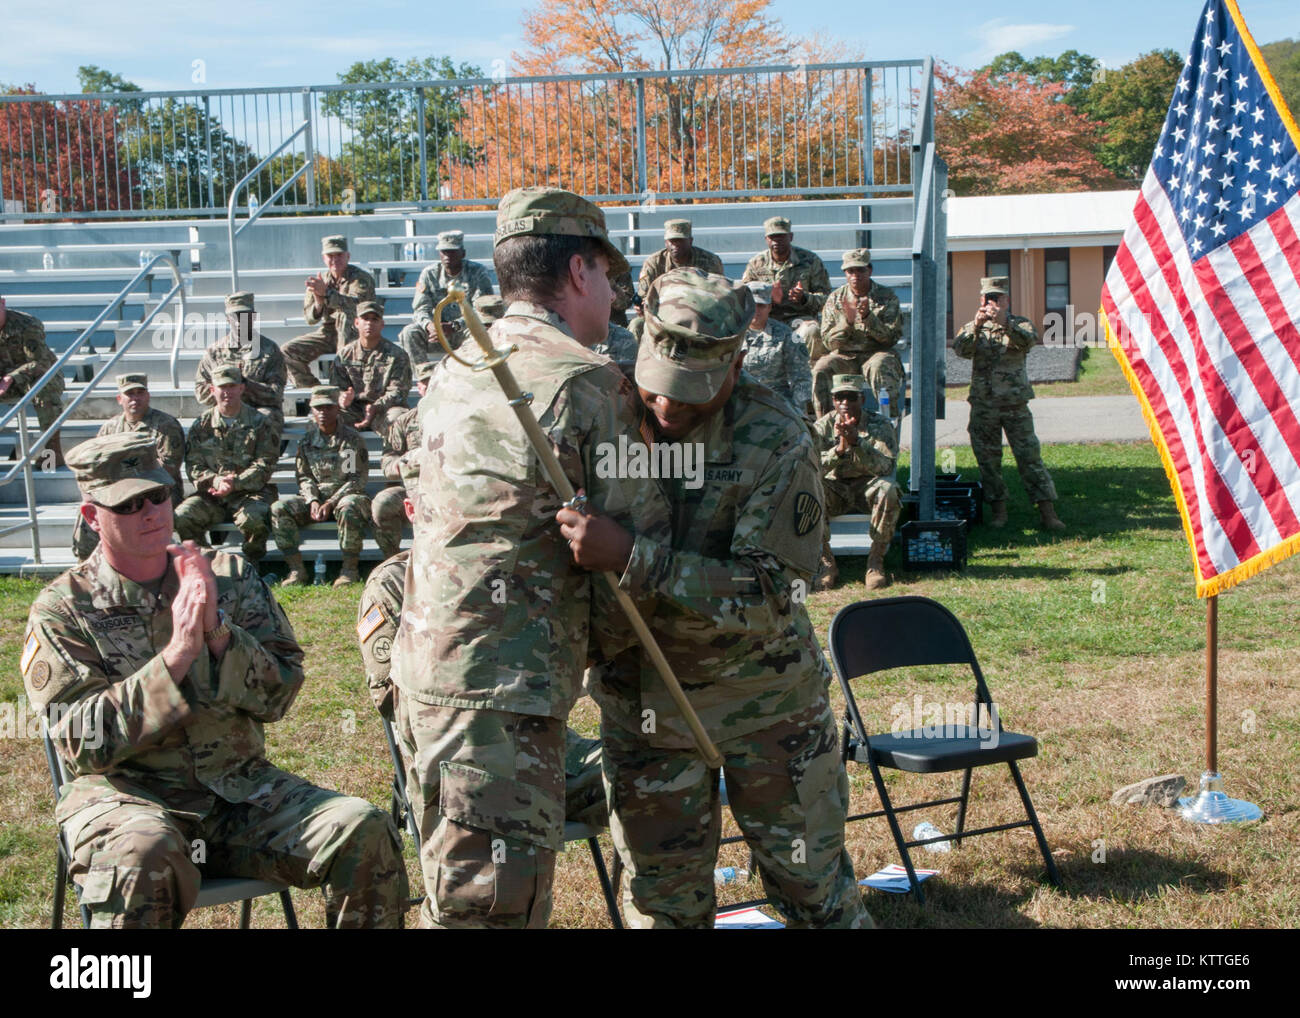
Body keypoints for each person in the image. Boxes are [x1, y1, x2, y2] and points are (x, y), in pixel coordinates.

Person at [391, 185, 668, 929]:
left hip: (434, 671)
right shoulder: (588, 382)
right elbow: (636, 542)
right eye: (609, 276)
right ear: (579, 272)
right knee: (493, 912)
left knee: (458, 895)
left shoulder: (457, 365)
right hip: (503, 694)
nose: (614, 294)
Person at [565, 267, 872, 930]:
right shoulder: (605, 415)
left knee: (813, 895)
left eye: (691, 395)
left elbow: (769, 592)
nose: (669, 410)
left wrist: (630, 557)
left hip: (765, 708)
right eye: (658, 391)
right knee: (663, 907)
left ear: (736, 362)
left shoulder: (777, 440)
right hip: (647, 710)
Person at [23, 432, 407, 928]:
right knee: (142, 856)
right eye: (128, 503)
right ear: (92, 517)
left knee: (362, 828)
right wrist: (179, 653)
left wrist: (218, 635)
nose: (151, 512)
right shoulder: (63, 609)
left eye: (158, 495)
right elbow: (82, 743)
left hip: (238, 791)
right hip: (129, 800)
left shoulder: (227, 575)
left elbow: (281, 692)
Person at [358, 460, 607, 829]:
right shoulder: (393, 583)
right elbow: (389, 696)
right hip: (460, 753)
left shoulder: (504, 571)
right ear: (412, 511)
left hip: (548, 746)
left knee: (645, 773)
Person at [953, 276, 1064, 531]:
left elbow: (1028, 342)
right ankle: (999, 510)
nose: (992, 303)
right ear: (981, 300)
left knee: (1029, 458)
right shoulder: (972, 327)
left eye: (997, 298)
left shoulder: (1020, 324)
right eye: (987, 298)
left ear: (1006, 300)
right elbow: (961, 350)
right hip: (984, 405)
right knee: (989, 461)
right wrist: (977, 327)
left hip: (1015, 405)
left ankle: (1048, 512)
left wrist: (1004, 323)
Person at [71, 373, 185, 561]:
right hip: (116, 493)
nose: (136, 398)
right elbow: (95, 466)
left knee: (131, 512)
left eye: (140, 392)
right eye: (130, 393)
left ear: (147, 396)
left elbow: (168, 468)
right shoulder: (110, 428)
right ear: (119, 399)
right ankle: (87, 565)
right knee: (90, 511)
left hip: (158, 493)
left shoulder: (165, 425)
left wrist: (128, 486)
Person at [174, 363, 281, 564]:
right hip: (212, 494)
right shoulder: (202, 425)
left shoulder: (260, 422)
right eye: (222, 387)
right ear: (212, 390)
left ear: (242, 388)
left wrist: (236, 483)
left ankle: (252, 564)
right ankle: (206, 563)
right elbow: (194, 466)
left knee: (255, 518)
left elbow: (265, 463)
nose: (227, 392)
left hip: (249, 493)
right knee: (183, 516)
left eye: (232, 386)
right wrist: (216, 481)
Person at [271, 385, 370, 587]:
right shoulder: (307, 441)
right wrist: (313, 499)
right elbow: (304, 476)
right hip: (316, 500)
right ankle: (297, 570)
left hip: (344, 497)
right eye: (318, 408)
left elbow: (354, 479)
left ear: (337, 409)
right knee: (279, 508)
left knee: (349, 506)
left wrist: (331, 502)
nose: (323, 413)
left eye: (328, 407)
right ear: (312, 410)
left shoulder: (349, 441)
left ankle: (349, 570)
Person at [812, 374, 900, 592]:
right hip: (836, 489)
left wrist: (857, 443)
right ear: (833, 401)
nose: (845, 403)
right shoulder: (822, 427)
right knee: (809, 489)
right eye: (839, 397)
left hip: (867, 487)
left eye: (851, 397)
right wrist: (839, 450)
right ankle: (826, 563)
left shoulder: (879, 424)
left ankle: (875, 562)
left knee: (889, 489)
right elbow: (811, 467)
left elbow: (886, 466)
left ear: (862, 399)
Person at [815, 248, 904, 423]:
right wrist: (846, 323)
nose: (855, 275)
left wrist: (867, 318)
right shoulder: (835, 299)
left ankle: (888, 423)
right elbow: (828, 342)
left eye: (860, 270)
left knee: (881, 365)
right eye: (850, 271)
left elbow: (891, 338)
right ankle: (824, 427)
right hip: (844, 356)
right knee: (821, 368)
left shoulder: (887, 297)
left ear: (869, 270)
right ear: (845, 273)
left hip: (875, 353)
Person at [283, 235, 377, 388]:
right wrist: (319, 302)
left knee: (345, 317)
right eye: (330, 256)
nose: (335, 260)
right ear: (323, 258)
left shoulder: (360, 279)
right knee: (287, 352)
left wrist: (326, 293)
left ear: (347, 256)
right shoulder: (320, 280)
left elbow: (358, 306)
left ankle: (343, 388)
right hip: (329, 333)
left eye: (339, 255)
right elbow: (310, 318)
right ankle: (317, 392)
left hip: (354, 333)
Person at [370, 361, 435, 561]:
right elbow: (389, 460)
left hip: (447, 486)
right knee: (383, 502)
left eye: (435, 381)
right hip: (411, 486)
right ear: (419, 387)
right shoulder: (405, 421)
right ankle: (394, 561)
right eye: (426, 383)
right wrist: (406, 463)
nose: (431, 386)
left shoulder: (459, 417)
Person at [195, 292, 288, 430]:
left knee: (262, 420)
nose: (239, 322)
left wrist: (247, 385)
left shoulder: (270, 350)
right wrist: (226, 389)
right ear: (227, 319)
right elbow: (200, 391)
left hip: (259, 408)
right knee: (203, 424)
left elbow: (276, 393)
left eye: (245, 316)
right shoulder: (214, 352)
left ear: (253, 317)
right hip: (224, 409)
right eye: (235, 316)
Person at [399, 230, 495, 363]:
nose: (447, 256)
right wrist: (430, 326)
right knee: (409, 332)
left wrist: (455, 326)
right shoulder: (429, 274)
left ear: (463, 253)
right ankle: (424, 377)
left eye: (453, 251)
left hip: (464, 331)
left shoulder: (477, 272)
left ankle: (473, 374)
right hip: (436, 334)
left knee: (483, 332)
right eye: (444, 252)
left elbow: (482, 311)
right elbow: (420, 309)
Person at [740, 216, 830, 353]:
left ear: (791, 237)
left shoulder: (810, 261)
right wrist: (767, 297)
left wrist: (804, 298)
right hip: (766, 320)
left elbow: (827, 300)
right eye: (772, 237)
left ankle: (807, 371)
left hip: (798, 320)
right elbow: (744, 296)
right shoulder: (756, 263)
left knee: (812, 331)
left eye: (781, 237)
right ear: (766, 239)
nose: (777, 241)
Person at [328, 300, 413, 435]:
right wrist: (342, 398)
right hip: (353, 409)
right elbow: (336, 388)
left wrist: (376, 407)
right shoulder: (344, 355)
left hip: (384, 409)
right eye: (365, 319)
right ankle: (348, 456)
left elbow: (398, 391)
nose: (369, 323)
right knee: (328, 418)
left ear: (382, 324)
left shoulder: (397, 354)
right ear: (356, 323)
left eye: (375, 319)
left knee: (399, 419)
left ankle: (391, 456)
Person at [0, 293, 64, 466]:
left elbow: (40, 363)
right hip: (4, 382)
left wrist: (11, 377)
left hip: (38, 375)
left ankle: (52, 453)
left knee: (43, 388)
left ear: (2, 303)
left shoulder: (27, 324)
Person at [741, 280, 812, 417]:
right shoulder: (733, 334)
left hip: (777, 405)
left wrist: (798, 412)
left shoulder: (787, 335)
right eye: (752, 305)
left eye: (761, 306)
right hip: (742, 403)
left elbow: (802, 379)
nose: (756, 311)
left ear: (769, 307)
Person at [637, 219, 724, 298]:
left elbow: (720, 293)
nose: (675, 245)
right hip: (664, 310)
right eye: (672, 241)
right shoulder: (654, 263)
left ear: (690, 241)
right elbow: (644, 296)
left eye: (680, 240)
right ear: (665, 243)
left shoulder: (709, 261)